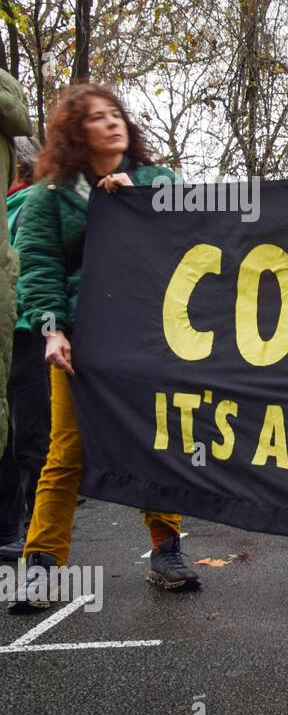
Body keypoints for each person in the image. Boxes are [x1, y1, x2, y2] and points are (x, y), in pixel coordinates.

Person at [12, 85, 198, 612]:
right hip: (85, 340)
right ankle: (42, 565)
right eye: (97, 118)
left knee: (156, 441)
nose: (112, 124)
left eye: (116, 114)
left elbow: (192, 244)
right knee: (66, 450)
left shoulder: (159, 181)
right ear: (77, 133)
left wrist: (135, 206)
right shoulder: (51, 195)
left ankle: (167, 551)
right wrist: (52, 329)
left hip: (150, 335)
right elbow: (40, 265)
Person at [0, 137, 49, 562]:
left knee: (29, 438)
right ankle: (8, 529)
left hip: (30, 332)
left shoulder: (40, 202)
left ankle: (36, 534)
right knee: (14, 437)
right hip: (9, 336)